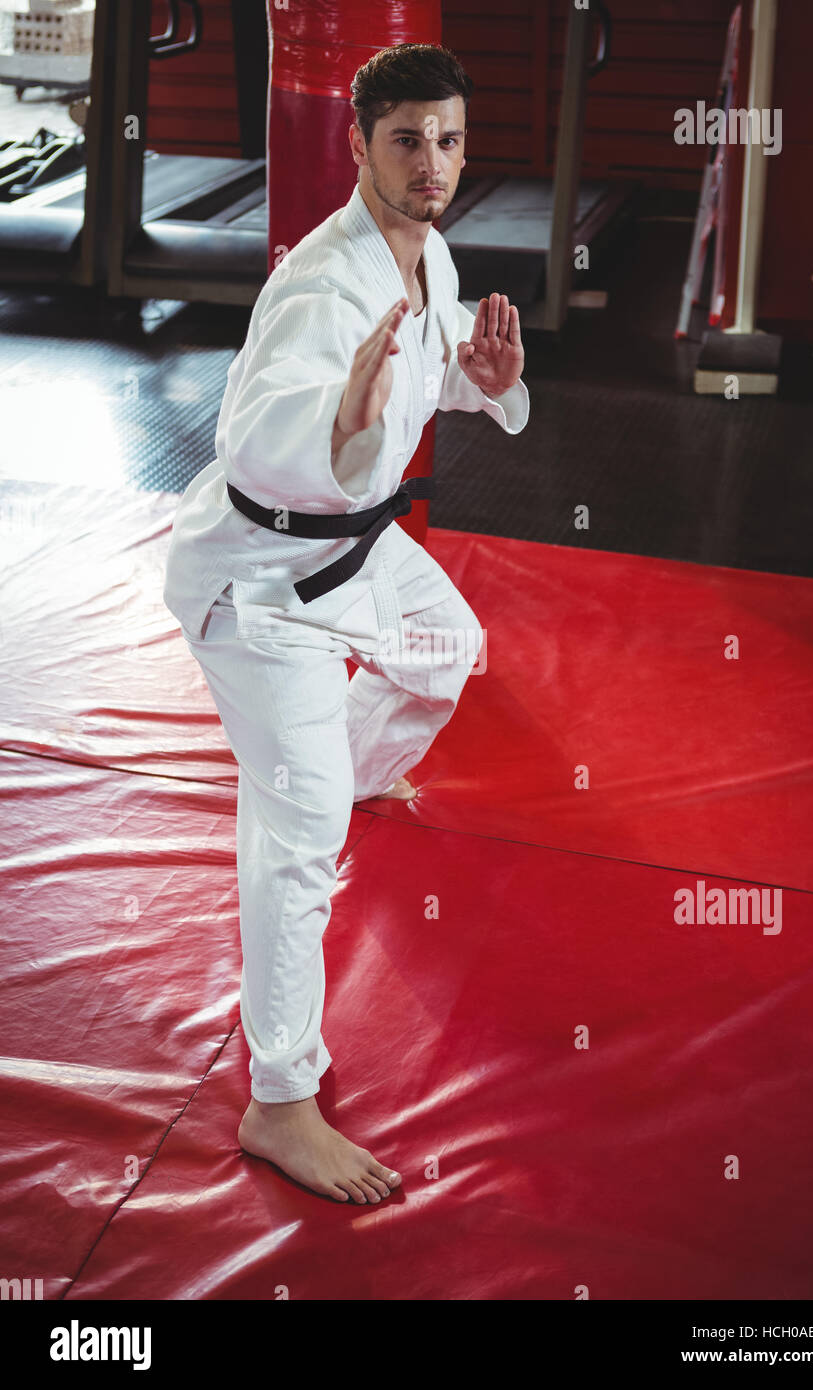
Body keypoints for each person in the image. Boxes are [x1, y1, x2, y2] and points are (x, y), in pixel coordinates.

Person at [162, 42, 530, 1205]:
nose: (434, 163)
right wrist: (335, 414)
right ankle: (280, 1099)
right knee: (299, 829)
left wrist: (473, 370)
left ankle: (348, 763)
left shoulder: (424, 251)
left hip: (357, 550)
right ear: (359, 145)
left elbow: (427, 361)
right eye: (407, 140)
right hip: (262, 582)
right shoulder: (320, 286)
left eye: (449, 139)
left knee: (449, 652)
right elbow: (253, 435)